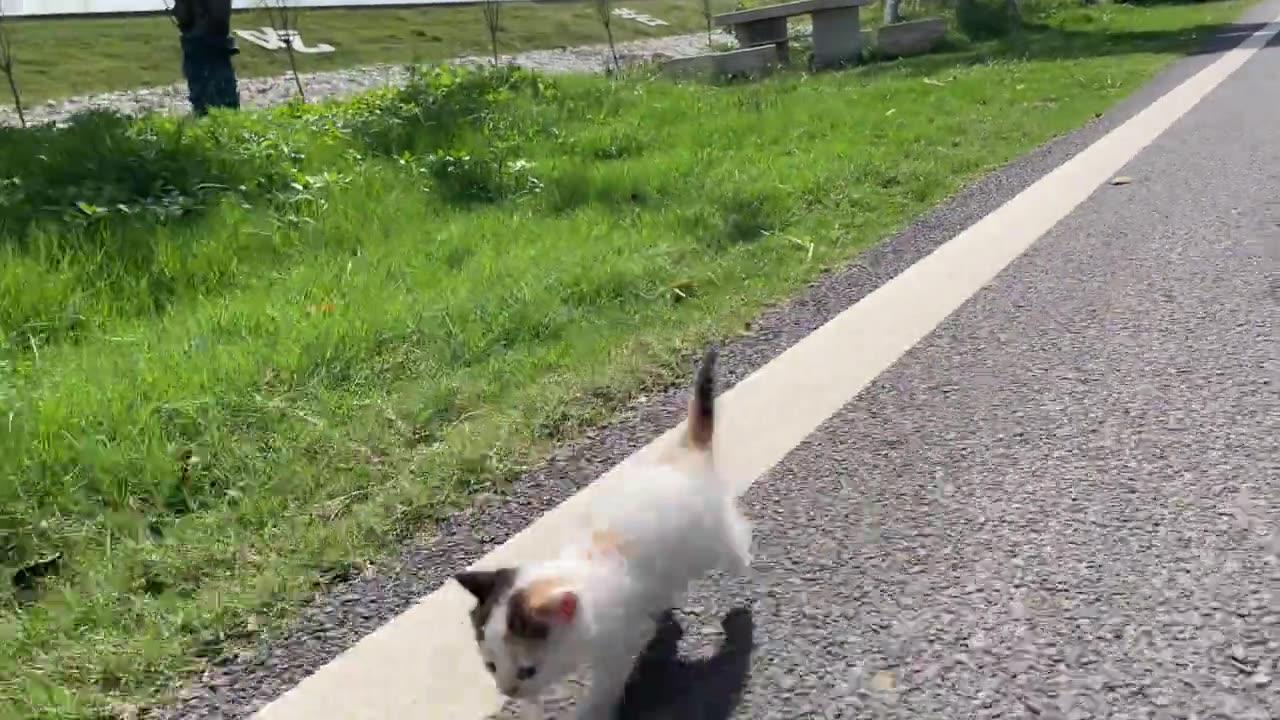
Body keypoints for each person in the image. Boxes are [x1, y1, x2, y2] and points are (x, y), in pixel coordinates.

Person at [171, 0, 241, 115]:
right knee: (227, 104)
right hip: (219, 46)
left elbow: (184, 16)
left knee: (204, 104)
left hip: (199, 45)